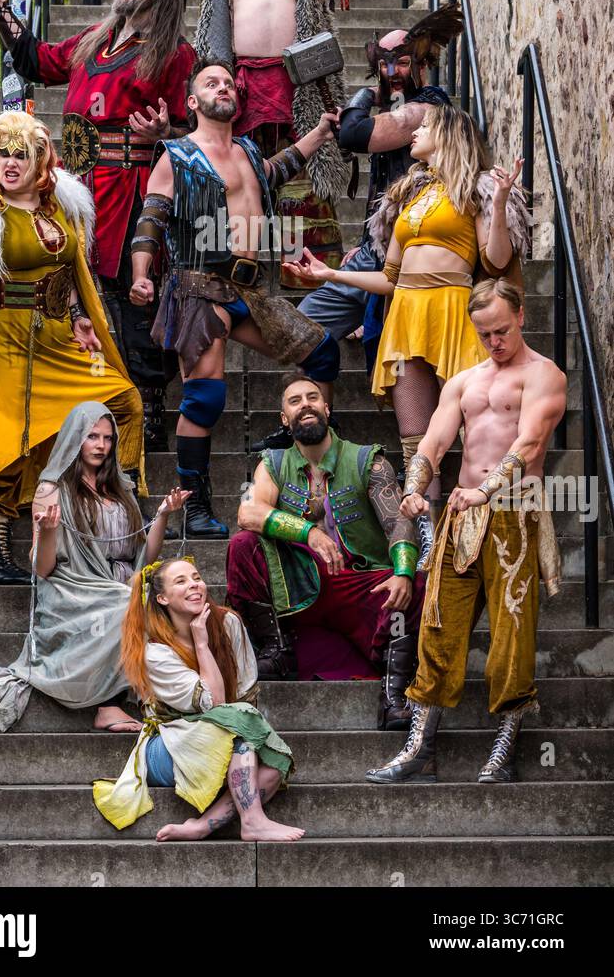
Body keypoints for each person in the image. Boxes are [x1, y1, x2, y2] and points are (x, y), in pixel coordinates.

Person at [73, 0, 467, 292]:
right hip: (228, 105)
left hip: (297, 110)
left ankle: (307, 306)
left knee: (301, 223)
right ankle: (223, 299)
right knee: (222, 219)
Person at [0, 112, 143, 585]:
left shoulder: (61, 207)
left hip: (57, 335)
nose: (10, 164)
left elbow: (70, 272)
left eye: (21, 155)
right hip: (0, 337)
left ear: (40, 161)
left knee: (123, 402)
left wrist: (79, 317)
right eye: (3, 154)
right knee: (5, 441)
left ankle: (114, 520)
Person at [287, 104, 530, 562]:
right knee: (416, 439)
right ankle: (429, 542)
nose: (413, 132)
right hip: (406, 314)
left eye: (425, 126)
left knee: (477, 429)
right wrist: (331, 275)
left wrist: (498, 205)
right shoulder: (409, 195)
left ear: (450, 133)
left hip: (453, 311)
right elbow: (391, 278)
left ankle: (488, 530)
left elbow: (496, 262)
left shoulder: (476, 188)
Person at [0, 0, 195, 453]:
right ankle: (91, 397)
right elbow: (35, 60)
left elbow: (198, 126)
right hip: (75, 185)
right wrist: (0, 9)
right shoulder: (94, 40)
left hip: (132, 184)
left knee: (129, 288)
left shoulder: (173, 53)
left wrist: (169, 132)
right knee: (76, 283)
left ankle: (148, 404)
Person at [365, 278, 566, 785]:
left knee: (511, 632)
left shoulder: (544, 375)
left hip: (514, 513)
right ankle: (419, 750)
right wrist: (415, 487)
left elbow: (531, 440)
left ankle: (504, 748)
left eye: (501, 330)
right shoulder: (465, 380)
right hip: (460, 516)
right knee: (437, 625)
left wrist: (488, 490)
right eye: (484, 334)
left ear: (521, 316)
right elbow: (432, 443)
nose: (494, 341)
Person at [130, 59, 342, 537]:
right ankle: (196, 507)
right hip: (198, 287)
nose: (222, 87)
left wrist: (321, 133)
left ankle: (303, 438)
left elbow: (277, 169)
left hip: (248, 289)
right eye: (211, 82)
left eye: (228, 82)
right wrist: (142, 275)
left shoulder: (247, 150)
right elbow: (150, 221)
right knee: (205, 398)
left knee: (323, 351)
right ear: (192, 101)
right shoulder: (177, 156)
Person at [0, 402, 189, 734]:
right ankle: (109, 706)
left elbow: (143, 554)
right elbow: (42, 569)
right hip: (72, 590)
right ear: (74, 439)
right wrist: (50, 530)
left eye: (108, 438)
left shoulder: (121, 488)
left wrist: (164, 515)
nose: (100, 445)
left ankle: (166, 699)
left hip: (122, 581)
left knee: (164, 598)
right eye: (92, 437)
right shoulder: (52, 490)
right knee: (123, 607)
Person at [227, 373, 426, 728]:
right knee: (243, 545)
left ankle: (396, 695)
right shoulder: (273, 463)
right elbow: (248, 512)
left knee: (420, 583)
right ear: (284, 420)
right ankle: (276, 651)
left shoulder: (369, 460)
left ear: (327, 408)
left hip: (359, 583)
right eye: (295, 401)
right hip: (301, 584)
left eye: (312, 397)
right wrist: (309, 533)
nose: (305, 404)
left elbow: (398, 521)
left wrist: (404, 573)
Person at [293, 5, 458, 404]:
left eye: (402, 62)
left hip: (421, 253)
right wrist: (367, 240)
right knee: (304, 326)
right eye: (384, 65)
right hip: (378, 251)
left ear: (423, 65)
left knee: (409, 360)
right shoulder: (392, 110)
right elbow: (384, 190)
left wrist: (364, 95)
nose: (393, 73)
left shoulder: (429, 109)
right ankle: (319, 418)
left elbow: (353, 133)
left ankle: (421, 443)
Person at [93, 557, 302, 840]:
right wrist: (201, 644)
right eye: (181, 582)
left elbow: (244, 695)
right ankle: (252, 820)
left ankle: (203, 825)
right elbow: (213, 703)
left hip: (226, 732)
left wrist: (245, 730)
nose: (194, 585)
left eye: (196, 577)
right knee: (238, 735)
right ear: (163, 598)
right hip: (168, 745)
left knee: (275, 761)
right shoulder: (156, 652)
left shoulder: (228, 623)